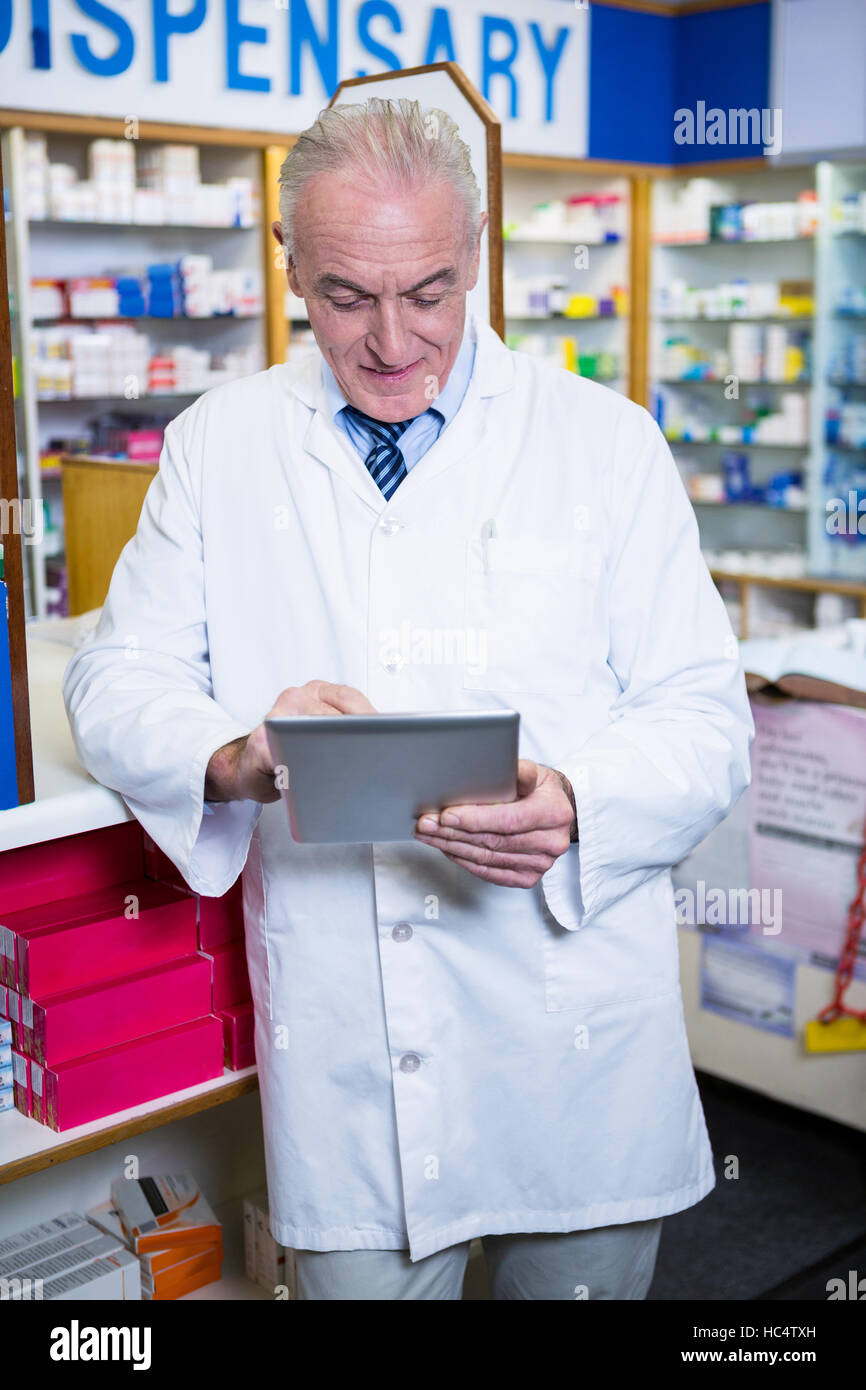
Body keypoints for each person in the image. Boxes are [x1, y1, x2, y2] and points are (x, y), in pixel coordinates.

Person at [63, 97, 753, 1301]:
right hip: (348, 1058)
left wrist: (581, 800)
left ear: (477, 251)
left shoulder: (606, 444)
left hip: (571, 1045)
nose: (390, 341)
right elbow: (115, 678)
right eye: (344, 296)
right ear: (287, 262)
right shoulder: (218, 446)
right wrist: (233, 751)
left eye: (429, 291)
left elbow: (703, 712)